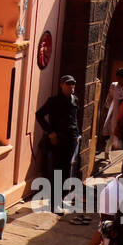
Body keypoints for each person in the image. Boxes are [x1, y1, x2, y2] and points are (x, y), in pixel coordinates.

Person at [35, 75, 81, 210]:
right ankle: (54, 202)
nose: (71, 87)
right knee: (57, 170)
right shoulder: (53, 101)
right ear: (61, 85)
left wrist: (77, 135)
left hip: (71, 139)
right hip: (58, 139)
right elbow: (39, 115)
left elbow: (75, 118)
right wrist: (50, 132)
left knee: (66, 170)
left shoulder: (75, 99)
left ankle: (61, 199)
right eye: (68, 84)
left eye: (73, 84)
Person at [100, 68, 123, 165]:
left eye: (120, 78)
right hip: (115, 112)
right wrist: (106, 111)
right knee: (113, 132)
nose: (119, 80)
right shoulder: (114, 86)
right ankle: (107, 152)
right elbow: (109, 99)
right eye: (117, 78)